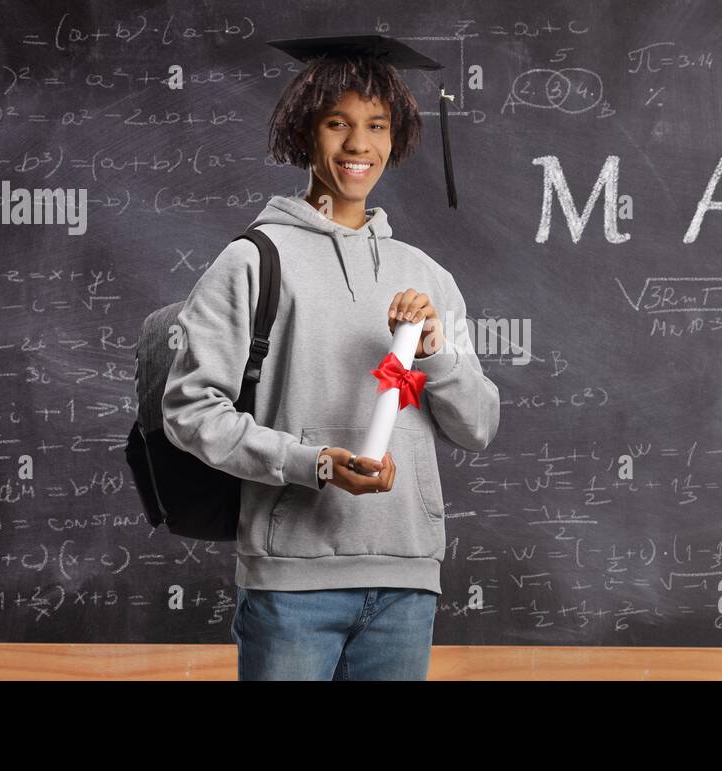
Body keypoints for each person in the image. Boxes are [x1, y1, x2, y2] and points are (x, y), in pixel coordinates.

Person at [160, 35, 500, 680]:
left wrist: (437, 355)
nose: (358, 146)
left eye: (376, 126)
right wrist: (309, 462)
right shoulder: (253, 261)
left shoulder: (425, 275)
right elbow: (190, 410)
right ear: (303, 132)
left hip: (407, 578)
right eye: (337, 123)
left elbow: (476, 427)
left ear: (396, 138)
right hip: (292, 583)